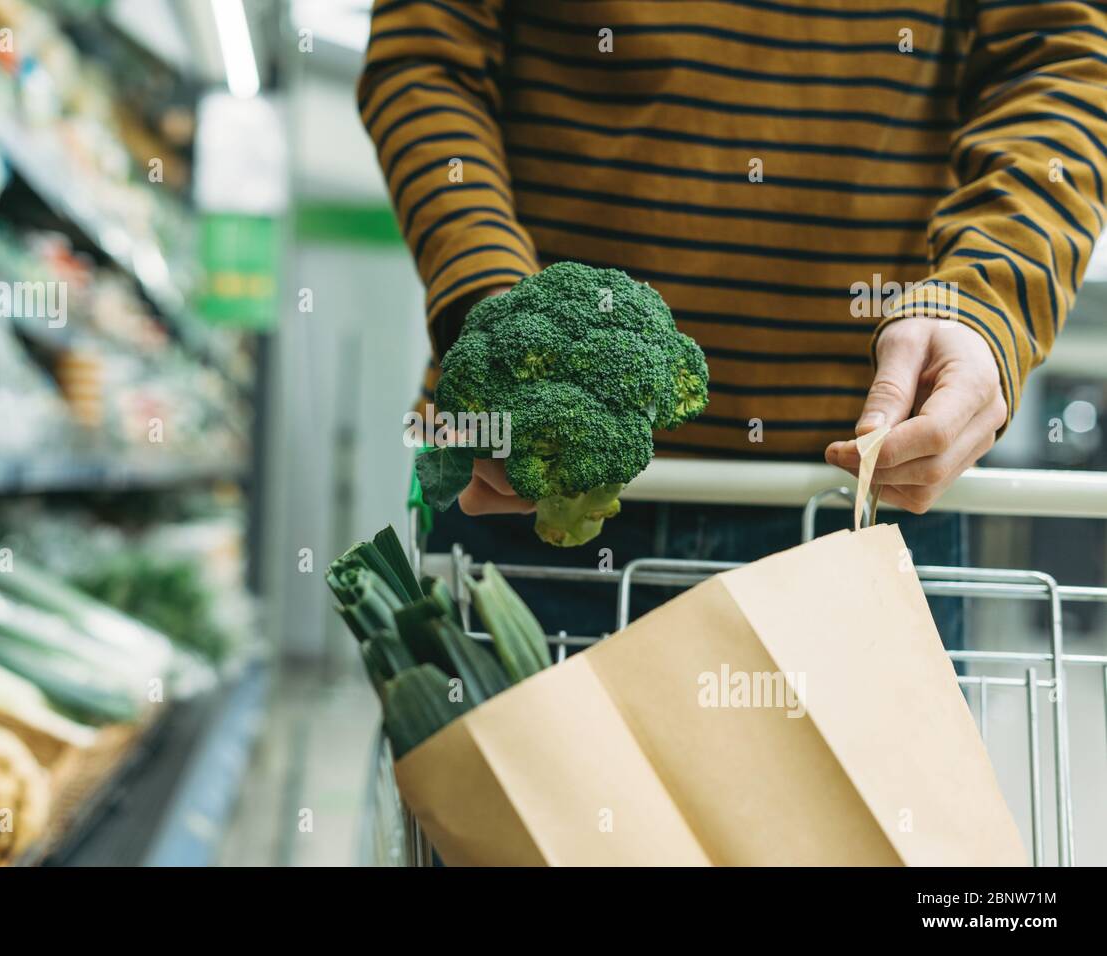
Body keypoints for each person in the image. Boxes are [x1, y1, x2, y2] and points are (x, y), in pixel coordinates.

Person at [357, 1, 1107, 643]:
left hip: (864, 509)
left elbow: (1056, 63)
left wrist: (984, 299)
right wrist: (494, 306)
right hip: (520, 501)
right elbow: (429, 58)